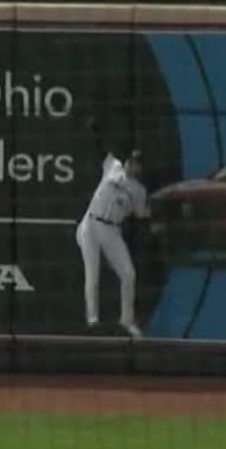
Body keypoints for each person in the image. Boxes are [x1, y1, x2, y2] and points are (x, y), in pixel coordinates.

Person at [76, 145, 150, 339]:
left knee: (128, 274)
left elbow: (141, 215)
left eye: (136, 164)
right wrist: (94, 130)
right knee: (92, 273)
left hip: (111, 230)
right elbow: (99, 149)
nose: (131, 165)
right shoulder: (113, 166)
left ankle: (127, 321)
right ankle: (92, 320)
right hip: (90, 223)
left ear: (140, 168)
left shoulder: (139, 191)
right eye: (130, 160)